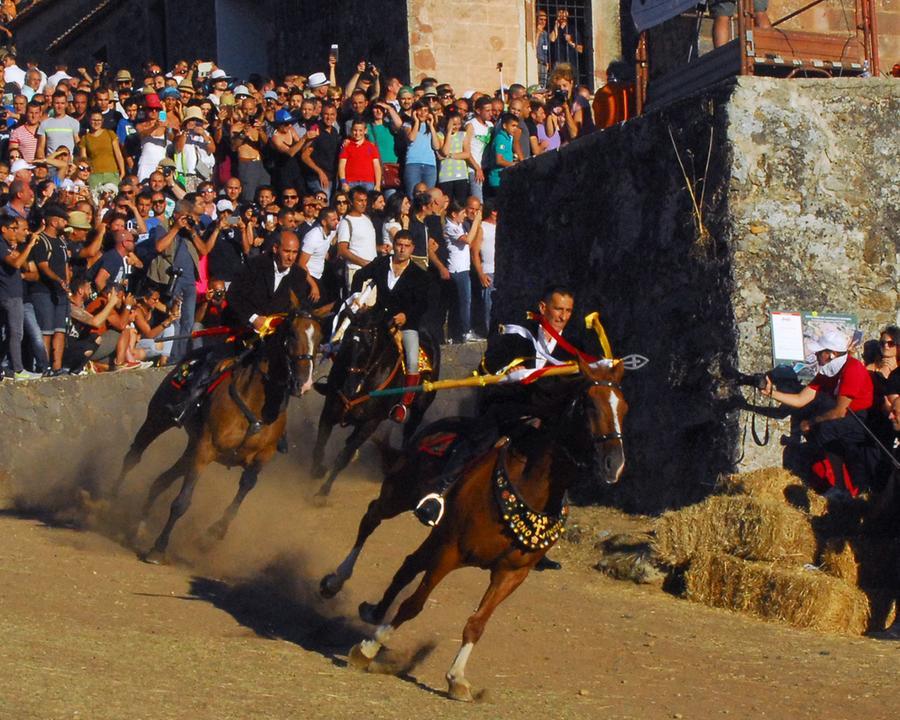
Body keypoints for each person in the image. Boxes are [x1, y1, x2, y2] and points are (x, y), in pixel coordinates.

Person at [168, 231, 310, 425]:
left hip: (275, 339)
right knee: (214, 361)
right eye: (287, 251)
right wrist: (253, 318)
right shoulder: (255, 265)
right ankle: (187, 404)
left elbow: (296, 309)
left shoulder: (299, 275)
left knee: (288, 370)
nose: (291, 257)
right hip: (242, 330)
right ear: (276, 248)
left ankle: (276, 423)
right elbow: (234, 296)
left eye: (295, 252)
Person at [761, 329, 874, 500]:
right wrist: (771, 393)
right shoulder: (829, 371)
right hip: (846, 419)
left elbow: (839, 411)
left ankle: (853, 489)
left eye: (820, 352)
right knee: (825, 432)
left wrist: (812, 422)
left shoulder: (852, 369)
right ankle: (840, 487)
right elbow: (801, 399)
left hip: (862, 419)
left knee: (825, 431)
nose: (817, 356)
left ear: (830, 354)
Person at [349, 229, 429, 423]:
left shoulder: (419, 274)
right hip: (378, 317)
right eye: (399, 244)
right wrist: (356, 297)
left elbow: (423, 303)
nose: (401, 249)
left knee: (411, 359)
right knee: (354, 341)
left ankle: (403, 404)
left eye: (406, 246)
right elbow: (359, 275)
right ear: (393, 245)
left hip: (405, 325)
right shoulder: (381, 263)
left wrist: (406, 315)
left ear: (412, 249)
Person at [0, 215, 41, 380]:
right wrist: (30, 245)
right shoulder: (1, 246)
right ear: (4, 229)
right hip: (9, 295)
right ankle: (17, 370)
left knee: (8, 333)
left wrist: (21, 245)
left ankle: (6, 369)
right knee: (16, 333)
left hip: (13, 294)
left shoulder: (8, 246)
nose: (16, 231)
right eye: (13, 228)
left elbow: (26, 266)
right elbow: (16, 264)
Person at [335, 185, 377, 292]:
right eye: (360, 201)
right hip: (356, 269)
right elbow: (342, 250)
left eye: (365, 200)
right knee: (357, 306)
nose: (363, 204)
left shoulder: (367, 219)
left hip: (372, 270)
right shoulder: (346, 222)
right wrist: (363, 263)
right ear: (351, 202)